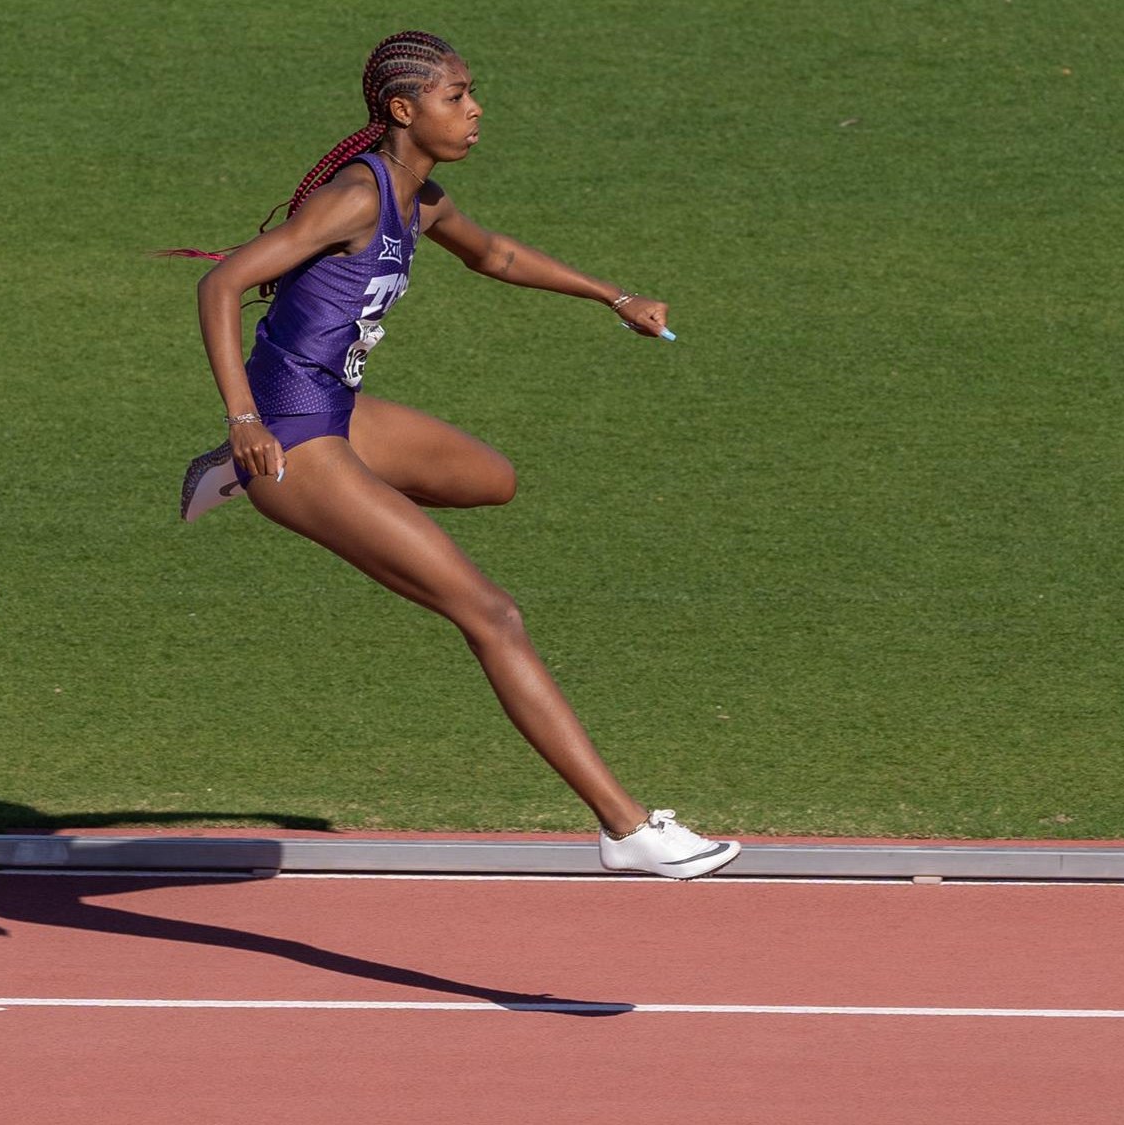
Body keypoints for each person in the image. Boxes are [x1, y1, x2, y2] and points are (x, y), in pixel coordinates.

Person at [174, 31, 739, 879]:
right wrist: (246, 415)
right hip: (291, 431)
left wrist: (612, 295)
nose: (475, 111)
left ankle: (243, 467)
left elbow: (495, 255)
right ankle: (626, 828)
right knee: (491, 613)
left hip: (336, 408)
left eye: (473, 94)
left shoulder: (421, 199)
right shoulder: (353, 201)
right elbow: (218, 284)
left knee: (492, 479)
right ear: (404, 111)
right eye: (457, 97)